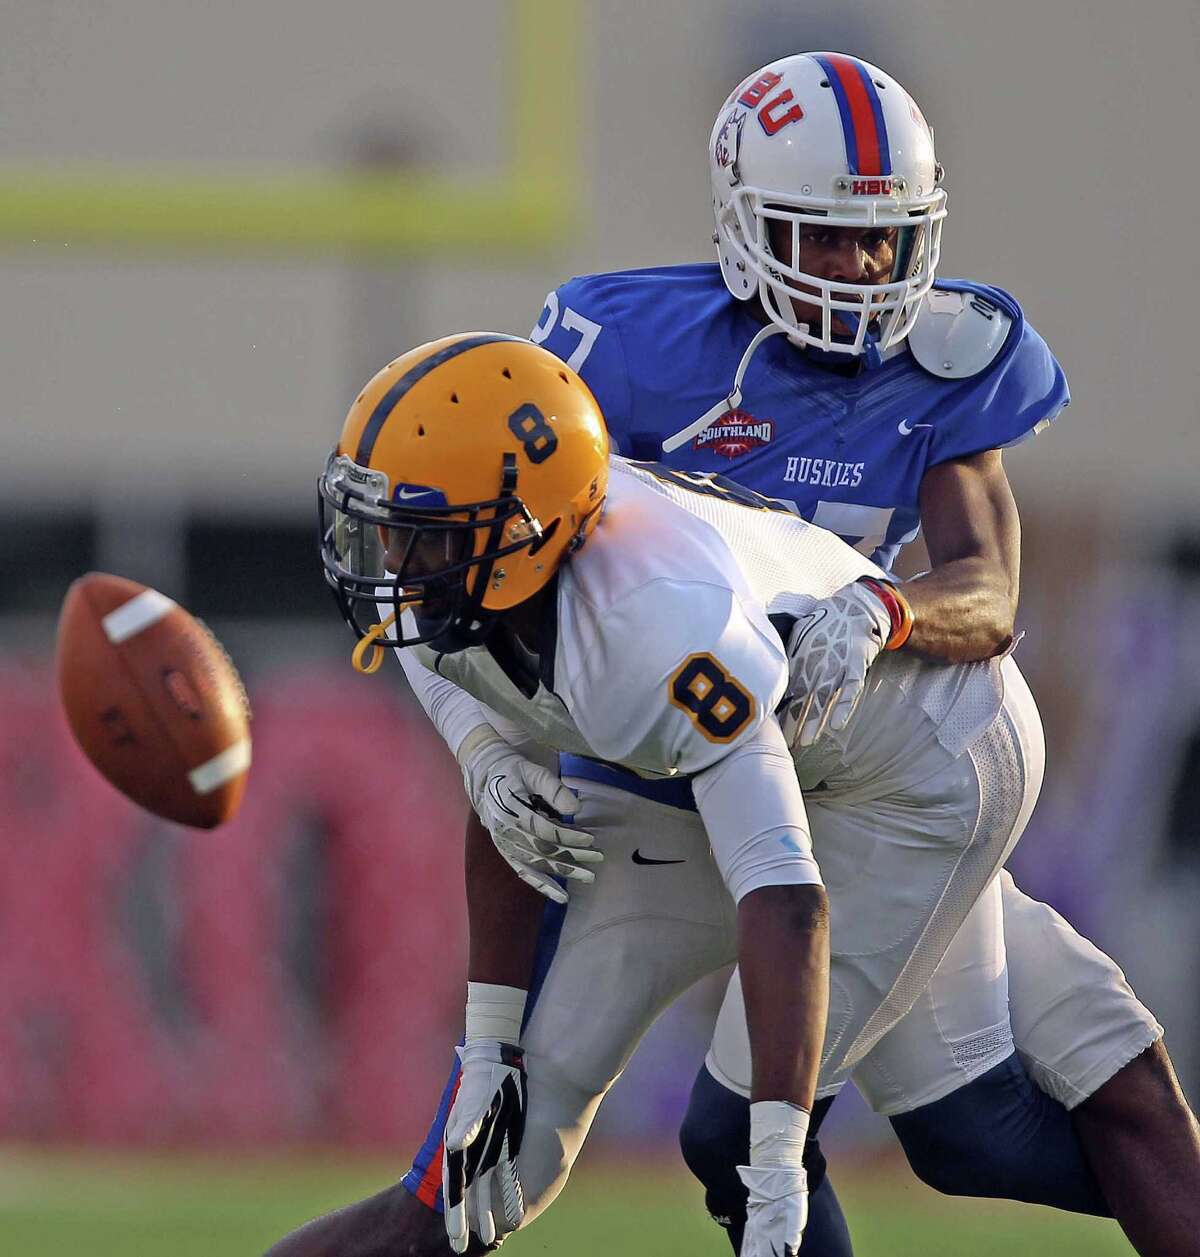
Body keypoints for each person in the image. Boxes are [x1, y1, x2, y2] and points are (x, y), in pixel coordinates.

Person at [296, 331, 1043, 1257]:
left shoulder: (658, 628)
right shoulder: (454, 597)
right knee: (488, 1172)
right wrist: (489, 1052)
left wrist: (776, 1168)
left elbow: (783, 894)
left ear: (523, 530)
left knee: (801, 1138)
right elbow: (513, 810)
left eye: (422, 532)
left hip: (925, 766)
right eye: (387, 526)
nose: (391, 558)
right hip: (739, 756)